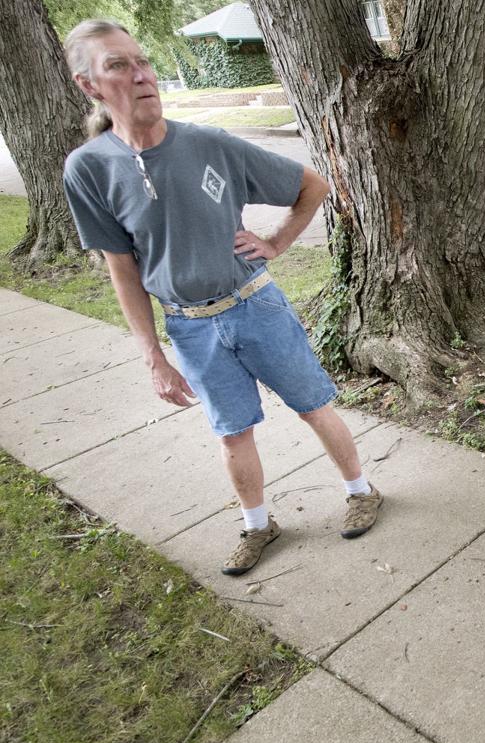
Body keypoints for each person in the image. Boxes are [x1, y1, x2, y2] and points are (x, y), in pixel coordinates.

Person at [61, 19, 382, 576]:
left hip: (255, 305)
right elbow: (122, 268)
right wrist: (154, 356)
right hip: (190, 328)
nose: (140, 75)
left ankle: (362, 490)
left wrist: (277, 240)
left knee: (313, 405)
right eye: (118, 65)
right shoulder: (88, 169)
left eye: (142, 61)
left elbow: (313, 186)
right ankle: (259, 526)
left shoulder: (209, 144)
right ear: (89, 85)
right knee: (231, 433)